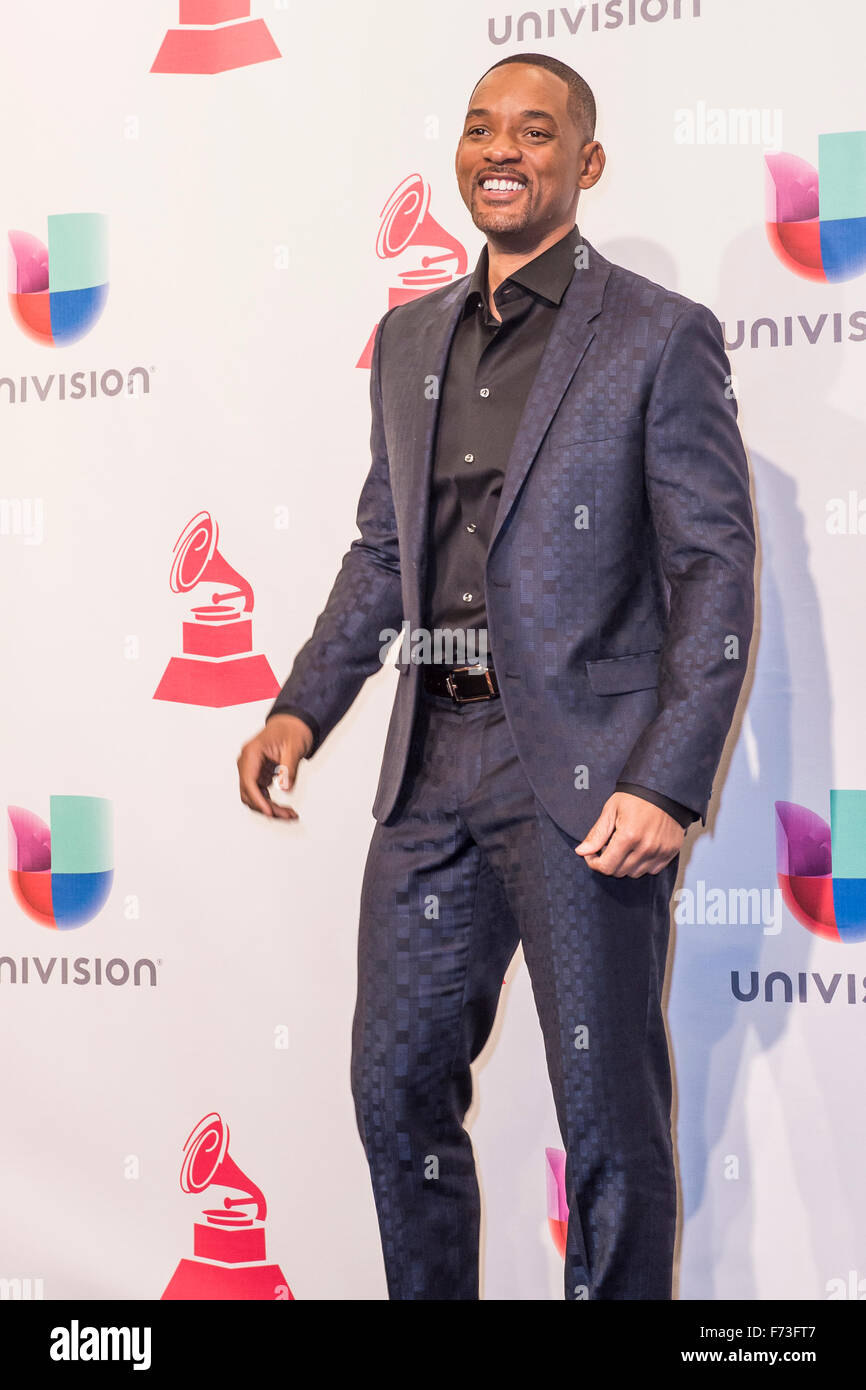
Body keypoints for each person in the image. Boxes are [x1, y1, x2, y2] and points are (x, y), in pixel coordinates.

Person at [237, 52, 755, 1300]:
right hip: (430, 771)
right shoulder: (409, 336)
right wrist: (304, 702)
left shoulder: (652, 335)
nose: (501, 150)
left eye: (535, 130)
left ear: (585, 163)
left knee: (606, 1120)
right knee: (393, 1090)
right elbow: (383, 549)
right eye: (480, 129)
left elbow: (713, 570)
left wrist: (668, 783)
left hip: (581, 777)